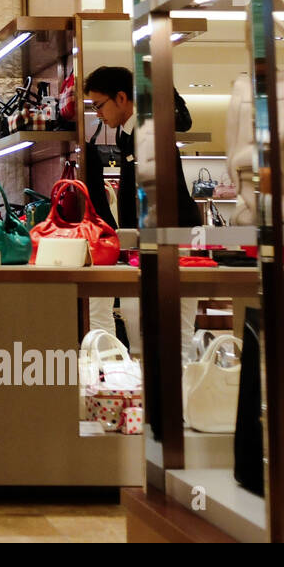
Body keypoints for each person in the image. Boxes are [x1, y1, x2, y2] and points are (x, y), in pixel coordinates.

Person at [83, 66, 203, 355]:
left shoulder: (149, 131)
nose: (98, 114)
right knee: (162, 332)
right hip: (156, 241)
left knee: (177, 333)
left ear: (121, 98)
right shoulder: (128, 134)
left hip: (173, 239)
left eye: (99, 105)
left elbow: (162, 192)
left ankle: (181, 393)